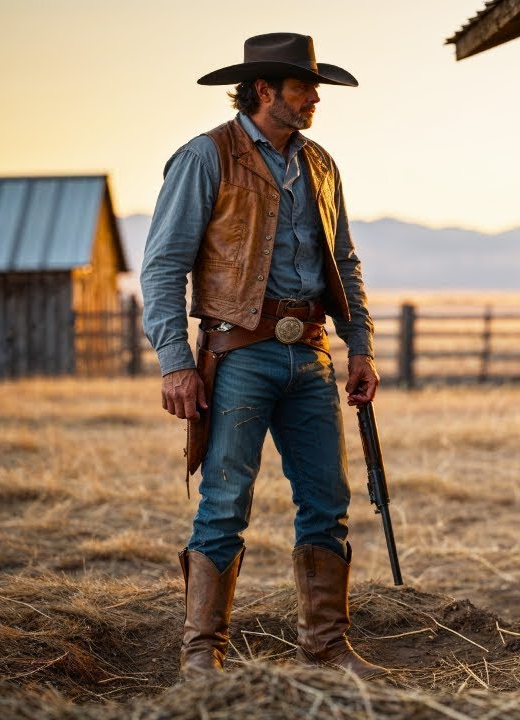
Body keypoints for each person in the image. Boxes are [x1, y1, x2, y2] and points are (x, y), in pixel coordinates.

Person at [140, 32, 382, 680]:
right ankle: (201, 657)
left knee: (327, 502)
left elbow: (346, 263)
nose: (315, 98)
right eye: (305, 86)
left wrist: (359, 350)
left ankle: (328, 647)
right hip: (237, 352)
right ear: (265, 89)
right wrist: (173, 360)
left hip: (310, 354)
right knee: (224, 503)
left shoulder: (322, 165)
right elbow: (162, 266)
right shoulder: (204, 156)